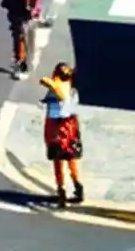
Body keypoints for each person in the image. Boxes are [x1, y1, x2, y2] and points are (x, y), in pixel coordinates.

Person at [40, 62, 84, 207]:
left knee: (58, 161)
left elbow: (47, 83)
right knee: (71, 159)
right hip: (69, 128)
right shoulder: (71, 90)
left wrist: (52, 84)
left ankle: (61, 190)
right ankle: (77, 186)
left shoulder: (60, 90)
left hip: (57, 130)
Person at [1, 0, 41, 79]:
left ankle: (20, 62)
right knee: (29, 42)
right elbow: (34, 7)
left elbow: (4, 4)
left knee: (18, 41)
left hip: (15, 18)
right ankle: (27, 64)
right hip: (29, 19)